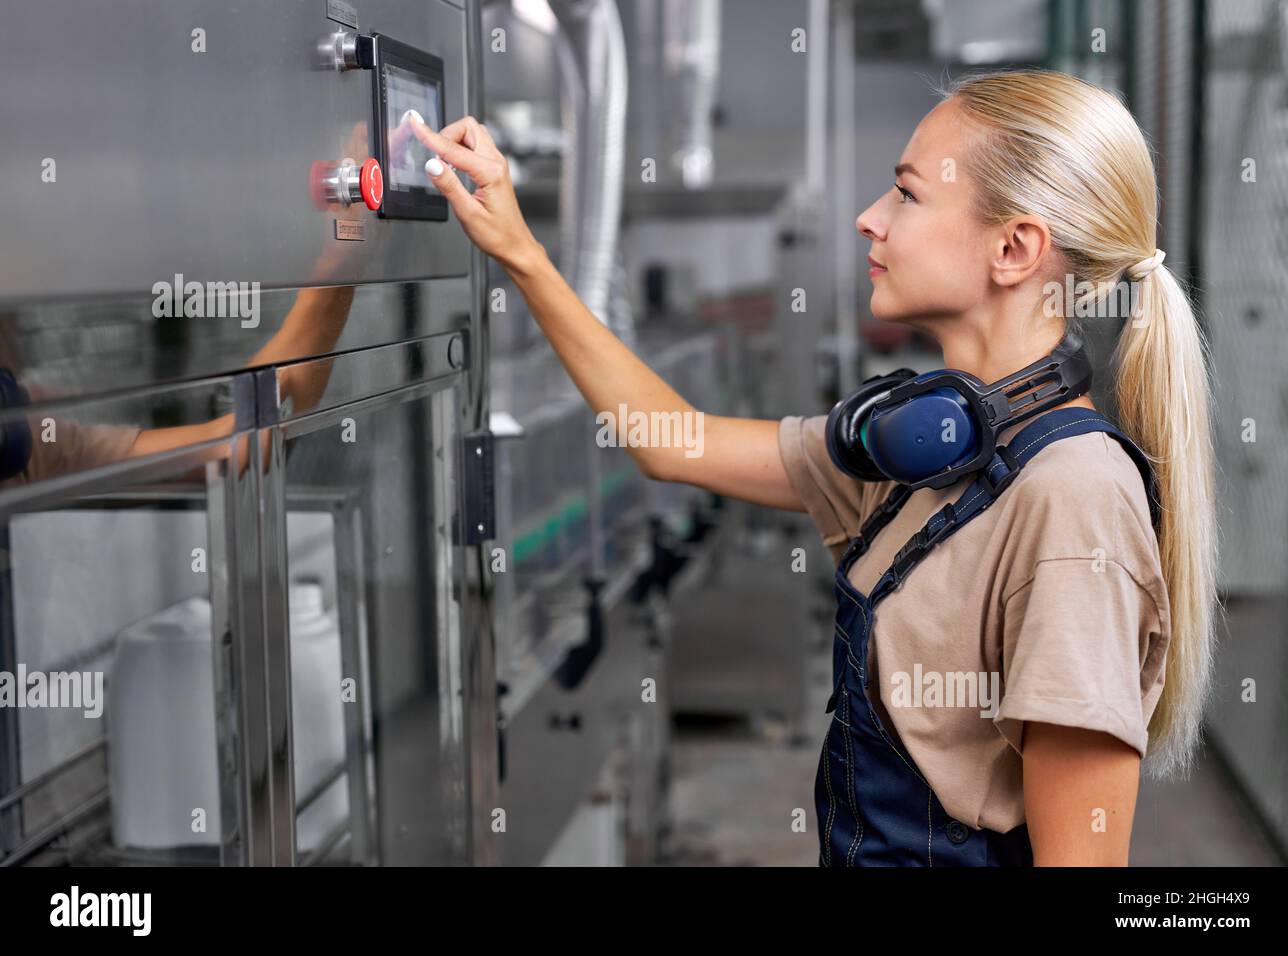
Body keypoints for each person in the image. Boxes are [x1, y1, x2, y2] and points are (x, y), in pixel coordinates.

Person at [407, 67, 1217, 867]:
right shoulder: (916, 449)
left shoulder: (1074, 502)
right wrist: (523, 255)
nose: (870, 219)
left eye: (907, 194)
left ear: (1014, 248)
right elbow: (671, 441)